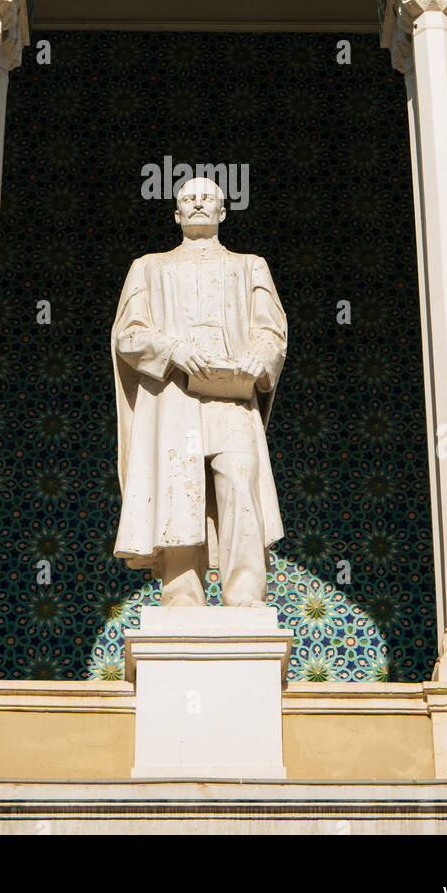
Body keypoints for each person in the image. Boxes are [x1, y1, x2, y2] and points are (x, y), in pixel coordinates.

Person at [112, 176, 286, 606]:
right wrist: (170, 348)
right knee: (177, 487)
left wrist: (258, 356)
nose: (198, 205)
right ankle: (181, 598)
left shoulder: (250, 265)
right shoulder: (149, 267)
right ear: (176, 214)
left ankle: (245, 597)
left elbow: (271, 330)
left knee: (239, 480)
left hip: (232, 397)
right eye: (188, 199)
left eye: (207, 198)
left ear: (223, 211)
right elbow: (128, 335)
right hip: (174, 396)